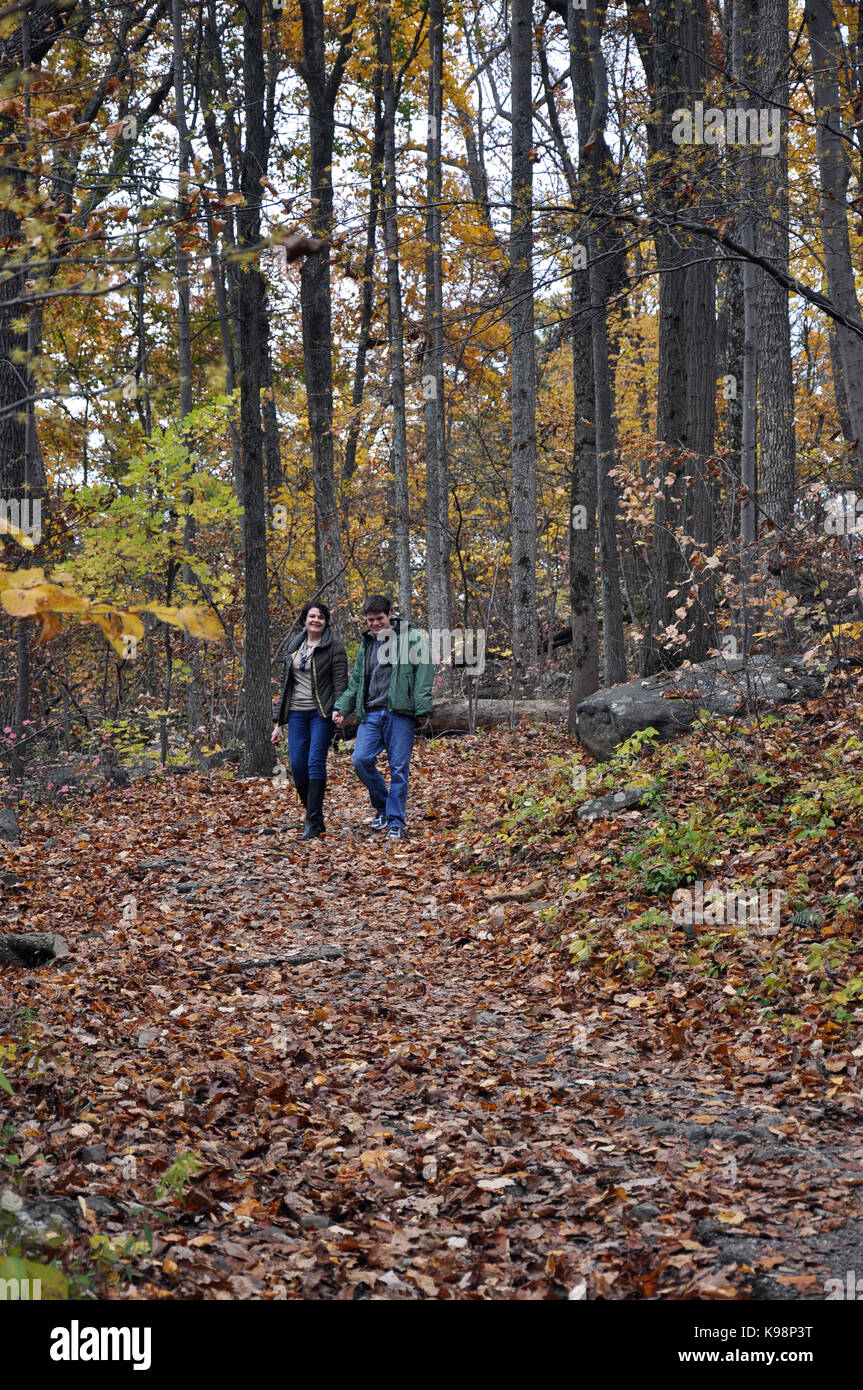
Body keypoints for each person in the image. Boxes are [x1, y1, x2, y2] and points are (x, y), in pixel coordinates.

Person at [332, 596, 434, 841]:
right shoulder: (366, 643)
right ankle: (383, 807)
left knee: (399, 768)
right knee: (360, 760)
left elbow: (424, 672)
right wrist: (342, 708)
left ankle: (396, 821)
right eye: (371, 620)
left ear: (390, 614)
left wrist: (422, 708)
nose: (375, 624)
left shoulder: (411, 638)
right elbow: (357, 679)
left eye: (379, 618)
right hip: (371, 713)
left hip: (400, 713)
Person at [271, 601, 347, 840]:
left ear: (325, 622)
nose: (316, 620)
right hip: (296, 714)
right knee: (296, 766)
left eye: (321, 617)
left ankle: (312, 821)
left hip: (321, 713)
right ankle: (315, 816)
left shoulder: (333, 646)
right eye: (312, 616)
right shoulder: (294, 645)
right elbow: (285, 686)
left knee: (315, 762)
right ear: (305, 619)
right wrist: (277, 724)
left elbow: (340, 682)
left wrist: (340, 709)